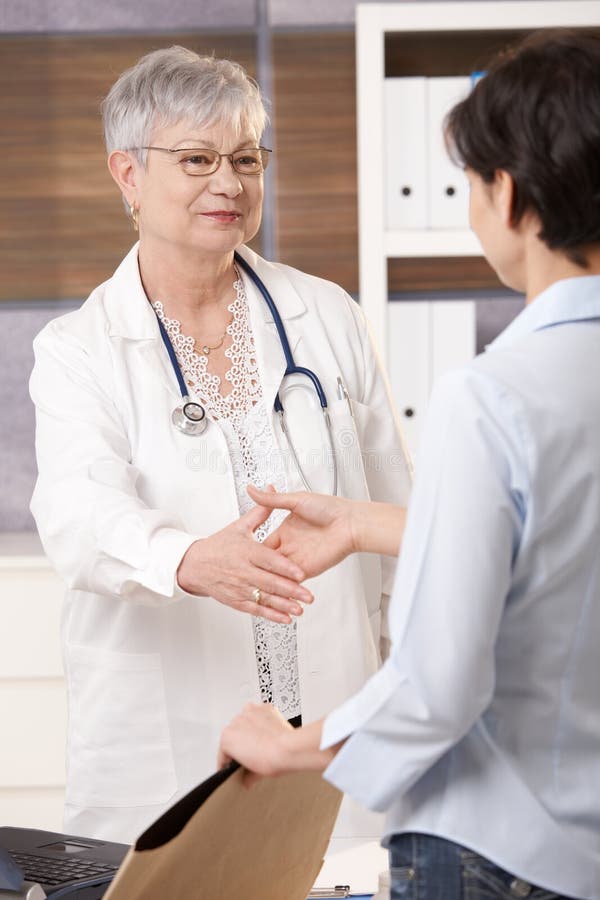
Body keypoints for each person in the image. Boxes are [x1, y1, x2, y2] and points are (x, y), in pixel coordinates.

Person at [220, 31, 600, 900]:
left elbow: (440, 688)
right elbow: (561, 551)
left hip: (493, 853)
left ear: (507, 194)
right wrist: (363, 523)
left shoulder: (492, 395)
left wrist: (292, 745)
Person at [29, 47, 411, 844]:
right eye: (197, 159)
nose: (230, 183)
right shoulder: (80, 348)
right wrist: (184, 557)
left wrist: (404, 689)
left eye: (246, 158)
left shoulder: (327, 315)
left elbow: (393, 513)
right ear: (128, 176)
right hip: (163, 737)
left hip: (332, 719)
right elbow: (75, 510)